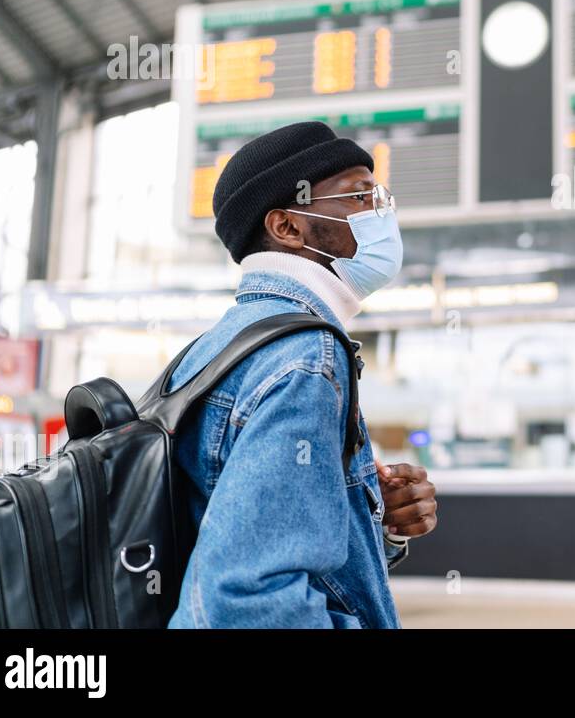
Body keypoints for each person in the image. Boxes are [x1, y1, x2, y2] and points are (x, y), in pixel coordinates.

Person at [167, 120, 437, 628]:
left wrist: (379, 526)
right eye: (358, 197)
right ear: (287, 228)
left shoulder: (213, 349)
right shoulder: (305, 358)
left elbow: (227, 538)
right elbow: (244, 602)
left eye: (379, 196)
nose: (381, 212)